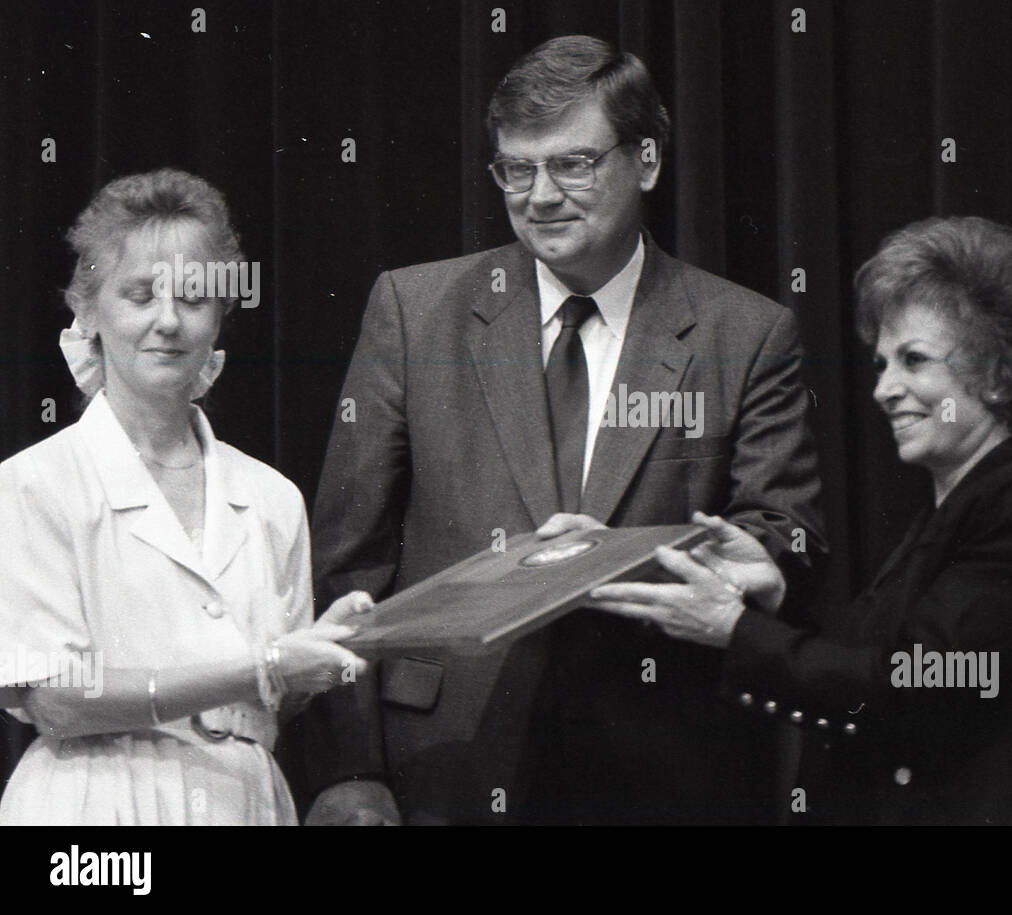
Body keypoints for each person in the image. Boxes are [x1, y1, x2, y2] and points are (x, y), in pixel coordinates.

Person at [303, 35, 826, 825]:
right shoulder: (414, 312)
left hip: (658, 764)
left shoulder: (744, 333)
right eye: (518, 168)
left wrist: (702, 557)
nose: (540, 195)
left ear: (646, 162)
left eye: (573, 164)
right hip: (441, 764)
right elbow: (346, 561)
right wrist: (349, 769)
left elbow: (783, 532)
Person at [588, 215, 1012, 824]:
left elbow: (920, 686)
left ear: (997, 372)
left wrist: (732, 628)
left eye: (914, 360)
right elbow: (874, 652)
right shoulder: (965, 500)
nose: (885, 388)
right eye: (882, 364)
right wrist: (771, 597)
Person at [0, 168, 369, 825]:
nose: (167, 321)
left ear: (221, 313)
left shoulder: (271, 497)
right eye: (140, 294)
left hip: (247, 801)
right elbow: (57, 702)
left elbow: (273, 701)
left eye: (194, 297)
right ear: (88, 310)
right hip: (96, 809)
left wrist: (322, 652)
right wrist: (264, 666)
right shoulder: (34, 483)